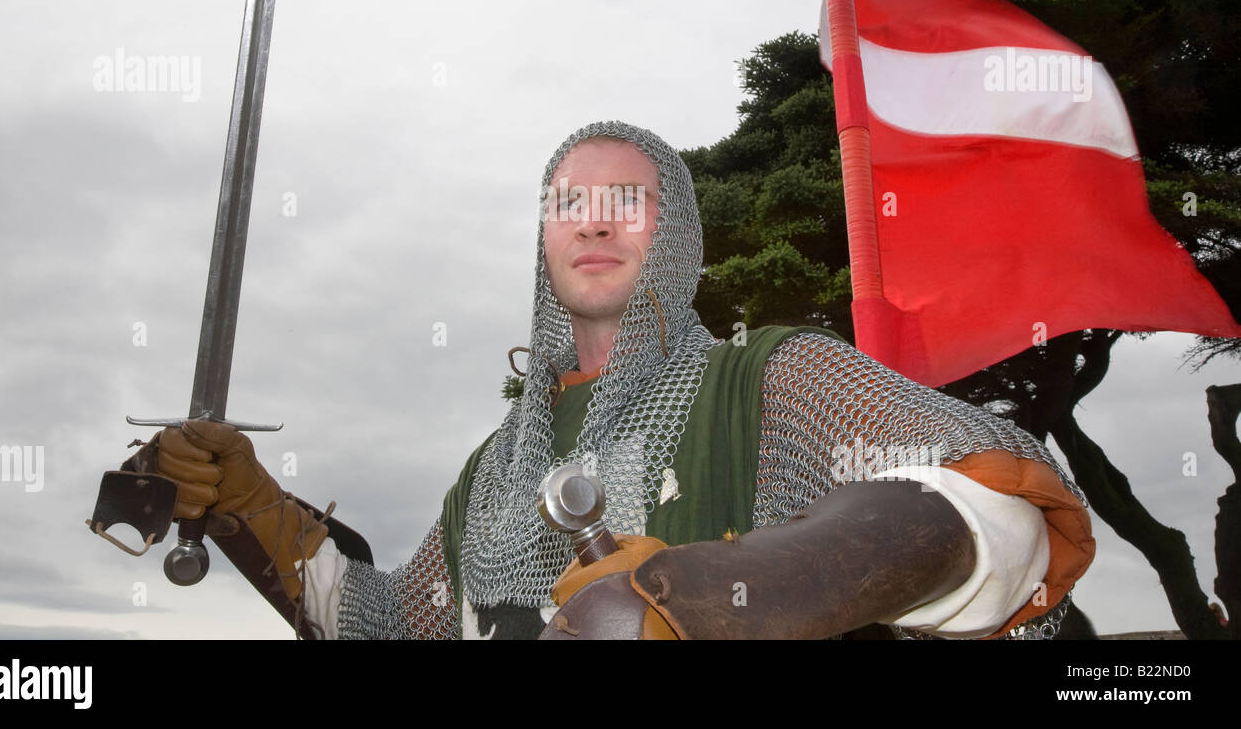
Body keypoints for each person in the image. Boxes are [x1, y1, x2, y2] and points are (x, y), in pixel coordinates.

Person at [150, 120, 1094, 640]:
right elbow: (384, 626)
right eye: (570, 204)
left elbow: (994, 502)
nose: (594, 224)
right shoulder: (494, 469)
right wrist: (248, 504)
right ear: (546, 240)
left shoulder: (767, 379)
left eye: (625, 202)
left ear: (673, 235)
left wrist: (721, 594)